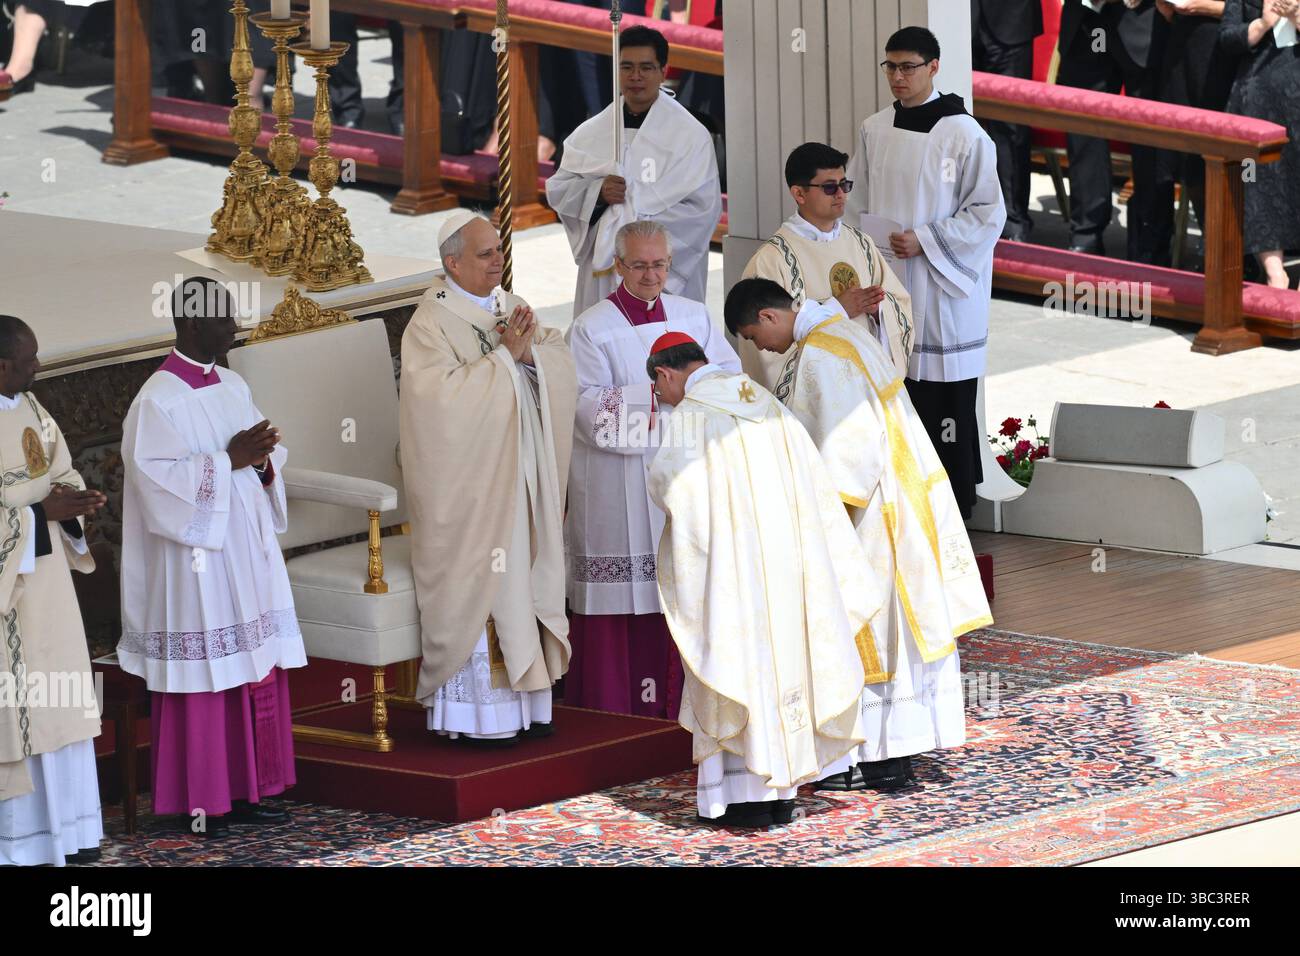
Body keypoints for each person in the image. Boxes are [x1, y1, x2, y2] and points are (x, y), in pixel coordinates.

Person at [725, 280, 993, 791]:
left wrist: (815, 517)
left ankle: (882, 757)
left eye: (753, 336)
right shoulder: (841, 333)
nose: (760, 348)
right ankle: (898, 751)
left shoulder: (822, 355)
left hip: (871, 511)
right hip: (900, 492)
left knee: (870, 622)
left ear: (769, 316)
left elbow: (847, 447)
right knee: (898, 628)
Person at [645, 332, 887, 828]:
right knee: (790, 668)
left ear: (666, 374)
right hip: (790, 567)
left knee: (740, 664)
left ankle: (739, 797)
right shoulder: (768, 404)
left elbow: (672, 487)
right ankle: (783, 792)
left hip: (734, 571)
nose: (661, 400)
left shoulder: (694, 414)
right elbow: (816, 486)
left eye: (658, 390)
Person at [118, 277, 304, 836]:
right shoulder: (156, 400)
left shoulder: (231, 382)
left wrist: (266, 462)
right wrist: (227, 460)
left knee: (253, 662)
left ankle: (252, 788)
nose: (235, 327)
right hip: (196, 564)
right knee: (209, 669)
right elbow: (157, 487)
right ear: (193, 323)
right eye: (225, 319)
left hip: (245, 553)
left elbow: (258, 460)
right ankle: (204, 799)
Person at [401, 212, 577, 746]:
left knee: (525, 574)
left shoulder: (510, 307)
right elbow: (436, 408)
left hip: (520, 474)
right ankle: (479, 716)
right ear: (452, 262)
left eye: (499, 250)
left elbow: (556, 356)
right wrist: (506, 359)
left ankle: (529, 705)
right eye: (485, 254)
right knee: (490, 578)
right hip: (472, 488)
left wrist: (528, 362)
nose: (498, 260)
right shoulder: (429, 324)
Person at [565, 221, 739, 719]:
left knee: (684, 592)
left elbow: (727, 380)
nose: (650, 275)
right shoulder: (592, 327)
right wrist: (658, 396)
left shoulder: (694, 316)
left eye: (659, 264)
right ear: (618, 266)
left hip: (685, 475)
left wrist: (693, 393)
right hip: (618, 486)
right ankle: (614, 709)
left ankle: (685, 707)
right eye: (638, 265)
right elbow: (582, 407)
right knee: (625, 599)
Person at [845, 27, 1006, 520]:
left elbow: (987, 213)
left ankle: (955, 506)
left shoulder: (964, 133)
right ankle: (907, 507)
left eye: (908, 67)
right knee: (899, 390)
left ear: (934, 67)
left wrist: (927, 239)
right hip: (891, 282)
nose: (897, 77)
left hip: (941, 289)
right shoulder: (875, 128)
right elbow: (858, 202)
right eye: (890, 66)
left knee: (947, 399)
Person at [0, 315, 106, 866]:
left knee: (61, 710)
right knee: (22, 716)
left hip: (51, 592)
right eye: (27, 360)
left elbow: (61, 471)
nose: (38, 368)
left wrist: (74, 505)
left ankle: (73, 834)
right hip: (9, 601)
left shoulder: (33, 410)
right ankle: (22, 847)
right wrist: (41, 517)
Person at [547, 25, 722, 317]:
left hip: (661, 271)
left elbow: (702, 209)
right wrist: (597, 194)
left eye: (646, 67)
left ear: (664, 71)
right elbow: (560, 188)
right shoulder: (593, 131)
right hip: (606, 267)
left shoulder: (690, 135)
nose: (635, 76)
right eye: (626, 66)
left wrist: (638, 240)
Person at [740, 142, 914, 392]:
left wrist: (878, 313)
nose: (841, 194)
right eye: (830, 187)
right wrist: (838, 309)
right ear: (799, 194)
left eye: (845, 185)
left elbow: (899, 304)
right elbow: (766, 348)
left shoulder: (861, 244)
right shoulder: (771, 261)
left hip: (868, 389)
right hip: (822, 403)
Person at [1054, 0, 1172, 261]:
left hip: (1144, 21)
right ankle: (1086, 234)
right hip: (1085, 20)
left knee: (1149, 138)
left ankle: (1150, 239)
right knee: (1084, 134)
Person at [1221, 0, 1300, 289]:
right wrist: (1262, 24)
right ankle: (1274, 273)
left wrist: (1297, 17)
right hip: (1256, 96)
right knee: (1259, 180)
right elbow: (1227, 39)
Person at [1155, 0, 1236, 259]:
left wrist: (1207, 7)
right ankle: (1211, 239)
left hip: (1226, 52)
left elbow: (1258, 9)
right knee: (1189, 155)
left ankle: (1233, 250)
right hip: (1182, 46)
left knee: (1223, 157)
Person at [970, 0, 1044, 242]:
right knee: (951, 123)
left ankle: (1013, 220)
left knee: (1010, 129)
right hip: (953, 19)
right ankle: (961, 216)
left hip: (1011, 20)